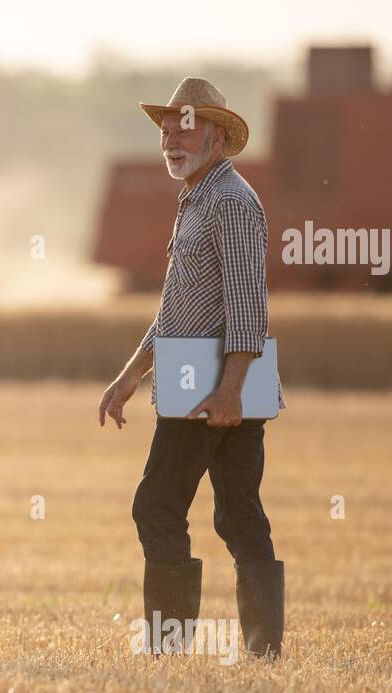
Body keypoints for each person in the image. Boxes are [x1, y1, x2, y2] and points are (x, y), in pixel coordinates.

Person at [97, 78, 287, 659]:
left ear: (220, 136)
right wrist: (129, 377)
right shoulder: (199, 197)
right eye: (165, 128)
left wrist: (229, 390)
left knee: (156, 506)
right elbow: (177, 309)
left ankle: (169, 648)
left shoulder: (230, 202)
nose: (171, 139)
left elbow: (248, 308)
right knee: (239, 515)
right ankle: (261, 651)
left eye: (185, 125)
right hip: (203, 385)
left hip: (207, 390)